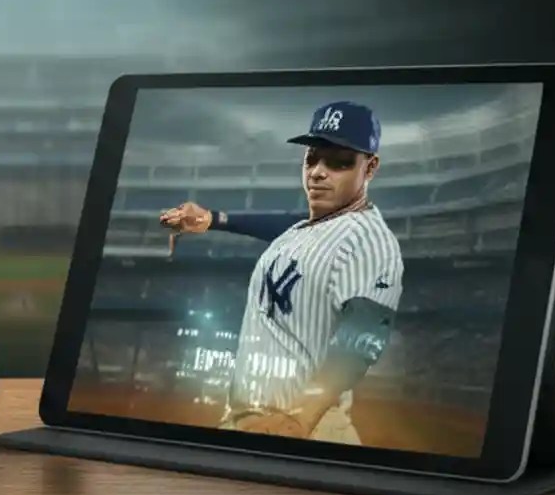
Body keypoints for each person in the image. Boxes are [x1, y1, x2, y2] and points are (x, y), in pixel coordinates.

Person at [159, 101, 404, 444]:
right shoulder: (311, 229)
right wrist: (212, 218)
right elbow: (290, 224)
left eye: (339, 162)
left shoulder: (369, 239)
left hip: (304, 429)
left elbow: (362, 336)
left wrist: (301, 416)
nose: (318, 171)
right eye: (313, 158)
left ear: (370, 167)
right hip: (254, 421)